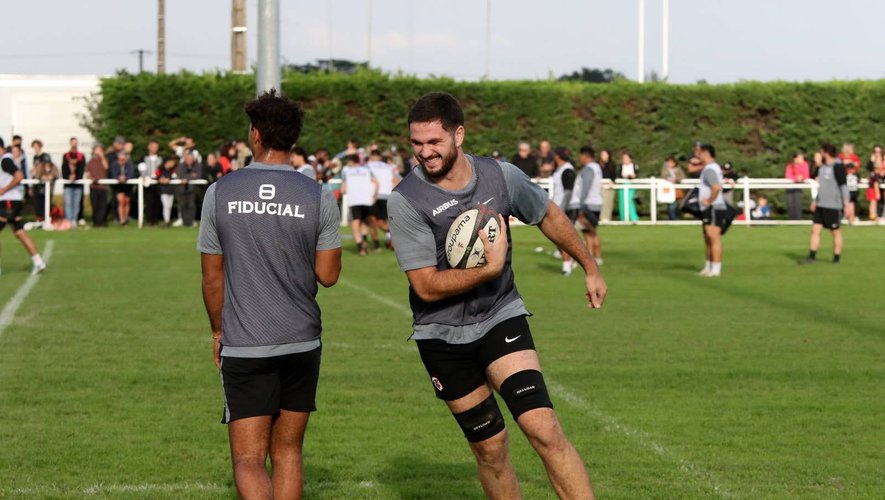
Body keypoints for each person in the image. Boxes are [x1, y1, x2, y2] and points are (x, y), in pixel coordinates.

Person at [388, 92, 606, 499]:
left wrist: (589, 266)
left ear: (459, 134)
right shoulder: (406, 200)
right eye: (416, 144)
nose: (424, 153)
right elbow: (425, 285)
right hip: (442, 336)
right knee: (491, 448)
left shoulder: (500, 176)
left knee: (543, 428)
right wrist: (488, 268)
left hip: (499, 316)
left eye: (434, 142)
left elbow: (549, 215)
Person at [198, 89, 342, 500]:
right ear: (293, 140)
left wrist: (216, 332)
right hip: (302, 339)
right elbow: (328, 276)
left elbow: (212, 278)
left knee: (248, 460)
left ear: (255, 135)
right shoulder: (318, 195)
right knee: (289, 453)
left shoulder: (220, 192)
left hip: (245, 342)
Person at [0, 138, 47, 276]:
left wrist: (4, 189)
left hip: (8, 201)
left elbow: (19, 176)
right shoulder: (6, 159)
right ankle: (38, 262)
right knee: (19, 231)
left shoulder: (5, 160)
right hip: (13, 201)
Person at [801, 144, 851, 264]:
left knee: (835, 232)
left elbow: (843, 186)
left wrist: (847, 204)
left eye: (821, 151)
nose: (820, 154)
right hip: (821, 205)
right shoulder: (822, 168)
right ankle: (811, 257)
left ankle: (836, 258)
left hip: (833, 206)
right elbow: (821, 187)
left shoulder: (838, 167)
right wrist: (815, 200)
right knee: (815, 230)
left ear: (826, 153)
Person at [697, 144, 727, 277]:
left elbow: (716, 187)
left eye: (701, 153)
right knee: (707, 238)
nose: (698, 155)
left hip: (714, 207)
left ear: (706, 153)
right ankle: (708, 266)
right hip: (708, 208)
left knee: (713, 237)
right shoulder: (710, 168)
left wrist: (709, 200)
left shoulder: (710, 169)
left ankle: (716, 269)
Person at [572, 146, 604, 264]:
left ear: (585, 155)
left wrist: (581, 205)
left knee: (587, 232)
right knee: (592, 231)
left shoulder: (588, 169)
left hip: (588, 204)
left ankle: (591, 258)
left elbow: (585, 187)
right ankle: (597, 257)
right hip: (596, 203)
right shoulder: (597, 167)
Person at [340, 153, 377, 255]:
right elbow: (376, 182)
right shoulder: (367, 170)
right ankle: (365, 240)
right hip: (366, 200)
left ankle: (361, 248)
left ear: (351, 162)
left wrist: (343, 191)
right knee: (364, 222)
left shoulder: (347, 171)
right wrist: (374, 195)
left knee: (355, 223)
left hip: (355, 200)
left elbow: (343, 189)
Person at [367, 149, 399, 250]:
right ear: (380, 157)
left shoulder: (367, 166)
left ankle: (377, 246)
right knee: (385, 221)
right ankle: (392, 239)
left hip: (373, 197)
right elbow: (396, 181)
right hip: (387, 196)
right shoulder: (388, 167)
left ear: (371, 156)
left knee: (372, 222)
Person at [551, 146, 577, 275]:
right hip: (559, 206)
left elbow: (568, 192)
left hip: (566, 207)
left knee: (563, 237)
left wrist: (561, 208)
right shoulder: (560, 169)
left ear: (557, 156)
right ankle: (571, 259)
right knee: (556, 236)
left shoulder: (567, 170)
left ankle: (567, 266)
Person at [60, 137, 85, 226]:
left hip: (77, 184)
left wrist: (76, 177)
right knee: (68, 202)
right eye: (73, 143)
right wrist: (68, 177)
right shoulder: (65, 156)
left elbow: (82, 169)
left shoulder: (81, 156)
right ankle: (68, 219)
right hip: (68, 184)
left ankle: (74, 219)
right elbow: (63, 169)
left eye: (76, 143)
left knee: (76, 203)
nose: (74, 145)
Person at [175, 151, 202, 227]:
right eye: (188, 159)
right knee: (183, 205)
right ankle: (184, 222)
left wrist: (186, 177)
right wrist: (191, 176)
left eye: (191, 159)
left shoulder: (197, 165)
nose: (189, 160)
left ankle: (191, 221)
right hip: (181, 189)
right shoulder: (181, 165)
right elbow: (180, 175)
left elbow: (198, 176)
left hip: (192, 189)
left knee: (191, 205)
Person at [85, 145, 109, 227]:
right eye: (97, 149)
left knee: (102, 206)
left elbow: (106, 167)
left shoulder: (104, 160)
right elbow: (88, 174)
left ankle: (101, 222)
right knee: (95, 205)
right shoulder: (90, 162)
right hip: (94, 187)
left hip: (103, 187)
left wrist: (102, 157)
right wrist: (92, 179)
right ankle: (95, 222)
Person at [31, 151, 58, 222]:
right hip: (40, 189)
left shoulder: (53, 166)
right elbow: (36, 175)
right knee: (39, 204)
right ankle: (39, 219)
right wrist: (42, 177)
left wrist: (52, 176)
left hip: (49, 189)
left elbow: (57, 174)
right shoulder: (40, 166)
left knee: (48, 205)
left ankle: (47, 219)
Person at [109, 151, 134, 225]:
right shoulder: (114, 165)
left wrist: (125, 178)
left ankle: (126, 218)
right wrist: (118, 178)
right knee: (121, 201)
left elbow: (131, 173)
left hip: (127, 186)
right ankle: (122, 219)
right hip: (118, 186)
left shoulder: (129, 164)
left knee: (127, 202)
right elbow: (113, 174)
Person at [838, 144, 860, 224]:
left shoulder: (854, 157)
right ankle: (849, 217)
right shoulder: (840, 157)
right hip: (848, 186)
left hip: (851, 187)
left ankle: (850, 218)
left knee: (849, 201)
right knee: (848, 202)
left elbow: (857, 165)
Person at [784, 152, 810, 220]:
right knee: (790, 203)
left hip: (798, 186)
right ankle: (791, 219)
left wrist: (801, 178)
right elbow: (788, 176)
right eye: (800, 158)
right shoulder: (790, 166)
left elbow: (806, 175)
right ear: (795, 159)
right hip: (790, 187)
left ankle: (798, 219)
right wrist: (796, 178)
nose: (802, 160)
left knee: (797, 203)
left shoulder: (805, 165)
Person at [660, 156, 686, 221]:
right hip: (668, 188)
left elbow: (683, 176)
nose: (670, 163)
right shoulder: (664, 169)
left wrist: (676, 179)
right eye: (668, 162)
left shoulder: (678, 169)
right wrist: (670, 179)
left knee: (676, 203)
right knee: (671, 203)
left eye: (671, 162)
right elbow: (663, 176)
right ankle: (673, 219)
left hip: (676, 189)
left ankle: (674, 217)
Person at [618, 153, 639, 222]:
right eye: (624, 158)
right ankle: (623, 218)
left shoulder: (634, 166)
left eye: (626, 158)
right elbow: (618, 175)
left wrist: (633, 176)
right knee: (622, 201)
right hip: (622, 185)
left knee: (629, 200)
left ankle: (633, 217)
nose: (625, 160)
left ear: (630, 159)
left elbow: (637, 174)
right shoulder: (620, 166)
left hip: (631, 184)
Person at [157, 157, 178, 225]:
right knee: (166, 205)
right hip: (163, 190)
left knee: (169, 206)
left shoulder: (173, 170)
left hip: (170, 190)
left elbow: (175, 177)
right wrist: (161, 179)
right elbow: (156, 176)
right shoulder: (160, 169)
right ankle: (167, 220)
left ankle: (167, 220)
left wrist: (168, 179)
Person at [599, 149, 617, 222]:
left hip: (609, 186)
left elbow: (614, 175)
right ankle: (600, 218)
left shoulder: (612, 164)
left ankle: (607, 218)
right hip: (600, 186)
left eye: (605, 154)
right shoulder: (598, 165)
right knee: (600, 203)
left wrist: (612, 181)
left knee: (608, 203)